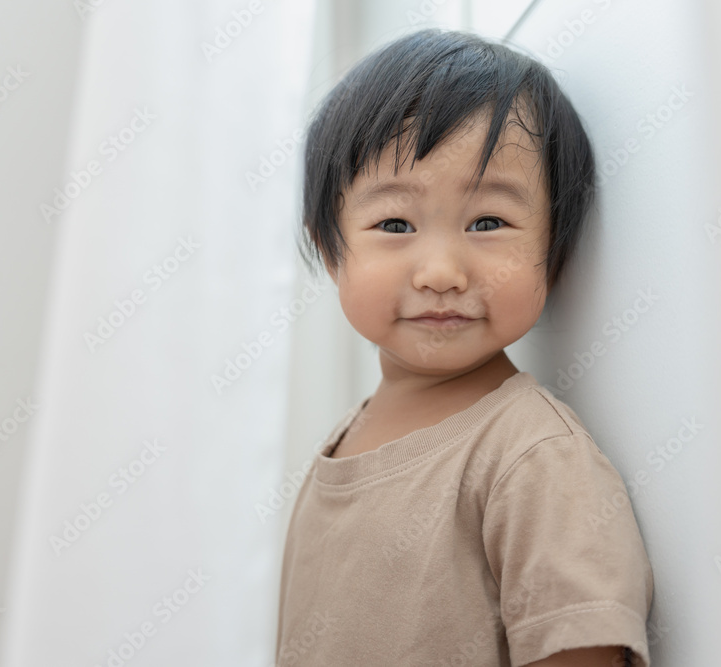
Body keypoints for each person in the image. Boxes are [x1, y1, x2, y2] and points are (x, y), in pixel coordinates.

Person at [276, 28, 654, 667]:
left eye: (488, 223)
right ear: (328, 249)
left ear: (554, 250)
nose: (442, 270)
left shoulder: (532, 458)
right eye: (395, 224)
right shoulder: (342, 442)